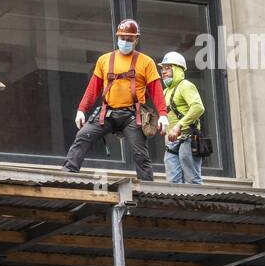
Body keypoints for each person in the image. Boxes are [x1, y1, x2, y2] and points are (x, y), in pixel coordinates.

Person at [62, 18, 168, 180]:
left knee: (140, 154)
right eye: (122, 38)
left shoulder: (146, 62)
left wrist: (163, 114)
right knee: (83, 136)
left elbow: (156, 90)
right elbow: (93, 88)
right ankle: (68, 174)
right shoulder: (104, 60)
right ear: (117, 38)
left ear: (136, 40)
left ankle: (147, 188)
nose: (125, 42)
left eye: (129, 39)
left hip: (133, 115)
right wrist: (82, 109)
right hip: (108, 113)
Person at [160, 51, 205, 185]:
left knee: (192, 180)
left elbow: (198, 107)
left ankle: (198, 205)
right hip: (172, 142)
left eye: (167, 68)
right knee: (173, 182)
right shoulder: (165, 92)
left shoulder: (185, 85)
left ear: (177, 69)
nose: (163, 72)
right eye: (162, 68)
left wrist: (178, 126)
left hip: (187, 138)